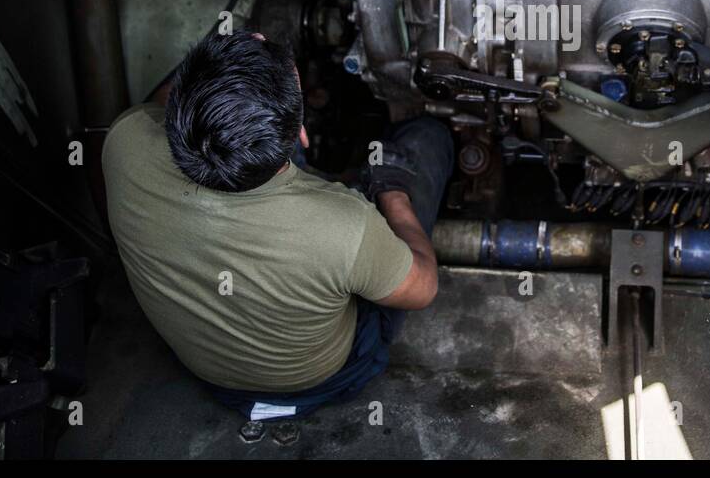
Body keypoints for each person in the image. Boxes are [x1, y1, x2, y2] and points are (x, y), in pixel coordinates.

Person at [101, 30, 453, 420]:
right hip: (319, 382)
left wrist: (222, 63)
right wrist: (394, 195)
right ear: (300, 133)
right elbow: (423, 288)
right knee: (426, 137)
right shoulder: (345, 226)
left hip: (211, 375)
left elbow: (163, 103)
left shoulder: (124, 140)